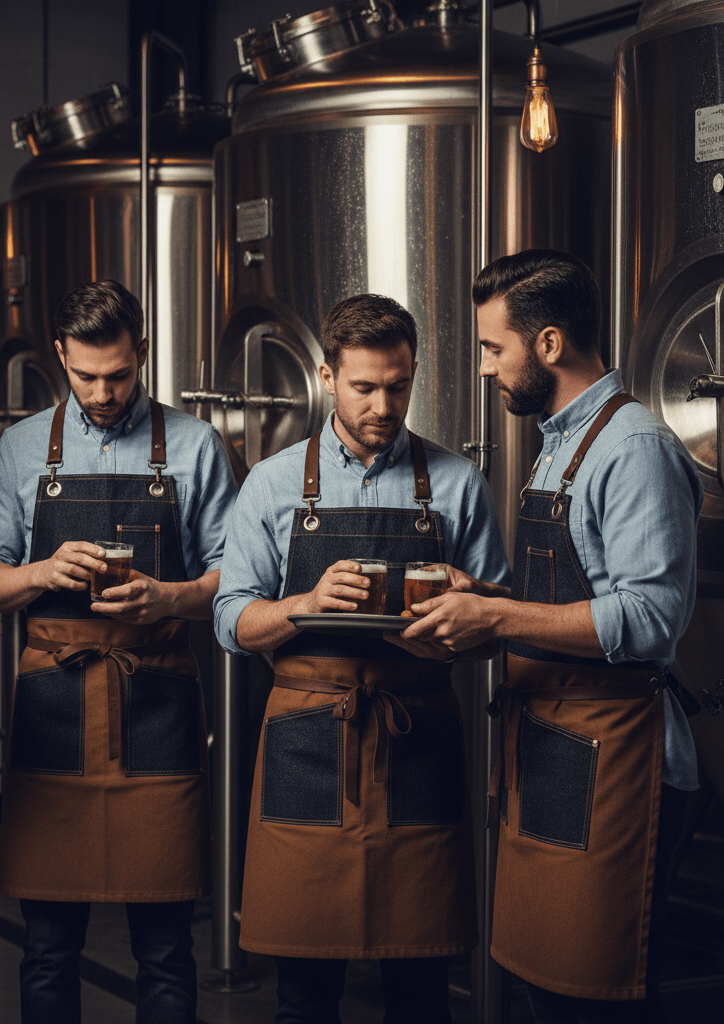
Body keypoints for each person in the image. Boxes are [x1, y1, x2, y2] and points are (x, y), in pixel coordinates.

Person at [403, 249, 702, 1023]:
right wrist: (485, 599)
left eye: (492, 348)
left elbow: (650, 616)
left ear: (548, 345)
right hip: (555, 748)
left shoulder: (633, 448)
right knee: (549, 984)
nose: (483, 368)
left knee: (596, 995)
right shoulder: (561, 442)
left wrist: (498, 617)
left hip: (623, 757)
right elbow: (571, 597)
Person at [213, 293, 511, 1024]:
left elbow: (498, 621)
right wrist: (303, 604)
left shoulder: (455, 484)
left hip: (419, 739)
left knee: (421, 987)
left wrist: (465, 614)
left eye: (398, 385)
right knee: (305, 993)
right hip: (306, 741)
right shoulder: (274, 483)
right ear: (326, 377)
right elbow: (231, 619)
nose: (384, 404)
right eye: (364, 386)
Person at [0, 278, 238, 1024]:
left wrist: (170, 598)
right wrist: (41, 573)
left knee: (166, 943)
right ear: (59, 355)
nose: (103, 390)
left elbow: (236, 578)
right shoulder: (22, 448)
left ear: (142, 354)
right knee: (49, 944)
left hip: (158, 702)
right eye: (85, 376)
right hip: (53, 705)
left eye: (119, 374)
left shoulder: (194, 445)